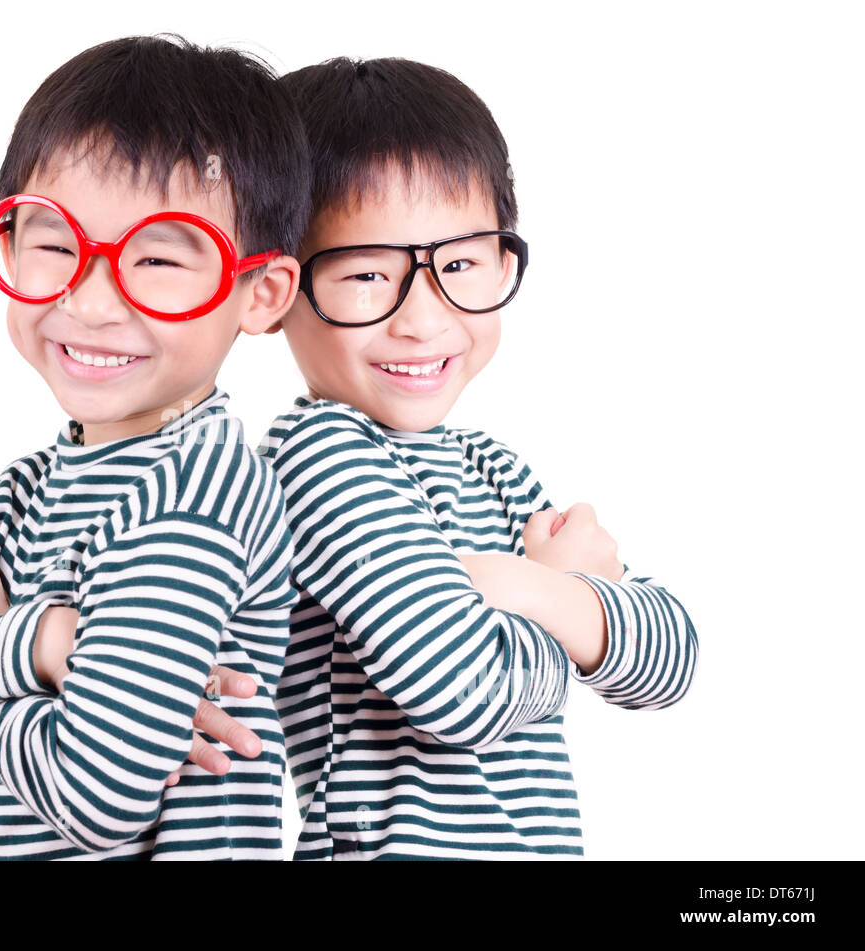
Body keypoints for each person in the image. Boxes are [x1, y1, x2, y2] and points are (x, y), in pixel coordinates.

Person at [0, 34, 310, 859]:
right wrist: (41, 641)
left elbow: (97, 794)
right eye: (54, 244)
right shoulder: (26, 488)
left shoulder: (200, 490)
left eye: (156, 258)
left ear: (258, 293)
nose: (88, 303)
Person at [257, 57, 698, 859]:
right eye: (365, 274)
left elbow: (670, 661)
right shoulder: (316, 457)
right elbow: (463, 689)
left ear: (503, 260)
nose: (423, 320)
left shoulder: (490, 463)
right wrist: (578, 607)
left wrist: (524, 586)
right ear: (275, 289)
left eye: (459, 264)